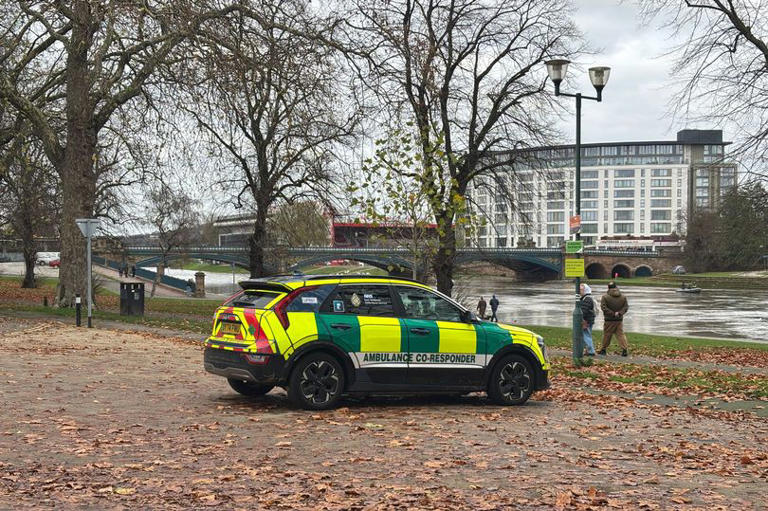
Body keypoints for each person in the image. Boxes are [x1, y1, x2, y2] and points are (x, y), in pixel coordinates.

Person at [598, 281, 629, 356]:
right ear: (616, 287)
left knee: (607, 334)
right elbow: (626, 307)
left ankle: (603, 349)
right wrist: (619, 313)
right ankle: (624, 349)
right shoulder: (623, 297)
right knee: (620, 335)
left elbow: (603, 308)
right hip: (619, 319)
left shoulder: (605, 297)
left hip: (609, 319)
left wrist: (612, 313)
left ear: (608, 288)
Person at [579, 283, 596, 357]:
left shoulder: (587, 299)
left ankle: (591, 351)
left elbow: (584, 310)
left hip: (586, 321)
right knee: (585, 335)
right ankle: (585, 350)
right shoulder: (586, 298)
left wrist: (583, 320)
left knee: (586, 335)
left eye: (581, 290)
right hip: (588, 320)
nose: (579, 291)